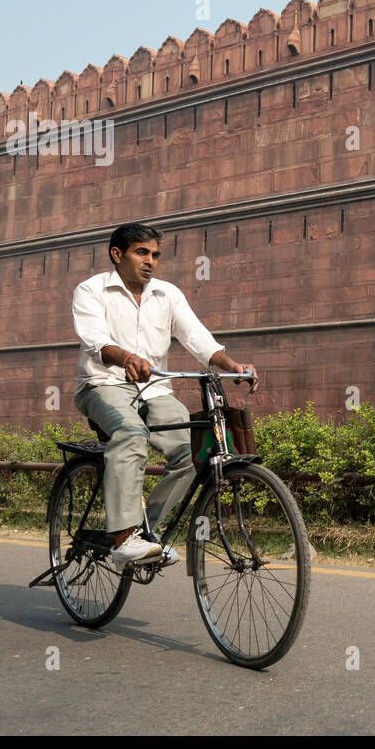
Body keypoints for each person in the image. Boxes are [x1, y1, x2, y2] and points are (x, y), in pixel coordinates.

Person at [71, 222, 258, 566]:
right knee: (130, 434)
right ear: (117, 255)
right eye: (141, 252)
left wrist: (232, 365)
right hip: (104, 385)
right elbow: (95, 340)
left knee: (192, 454)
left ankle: (147, 534)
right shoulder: (91, 290)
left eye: (155, 255)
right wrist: (125, 357)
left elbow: (196, 337)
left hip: (154, 390)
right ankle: (124, 537)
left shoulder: (168, 294)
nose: (151, 261)